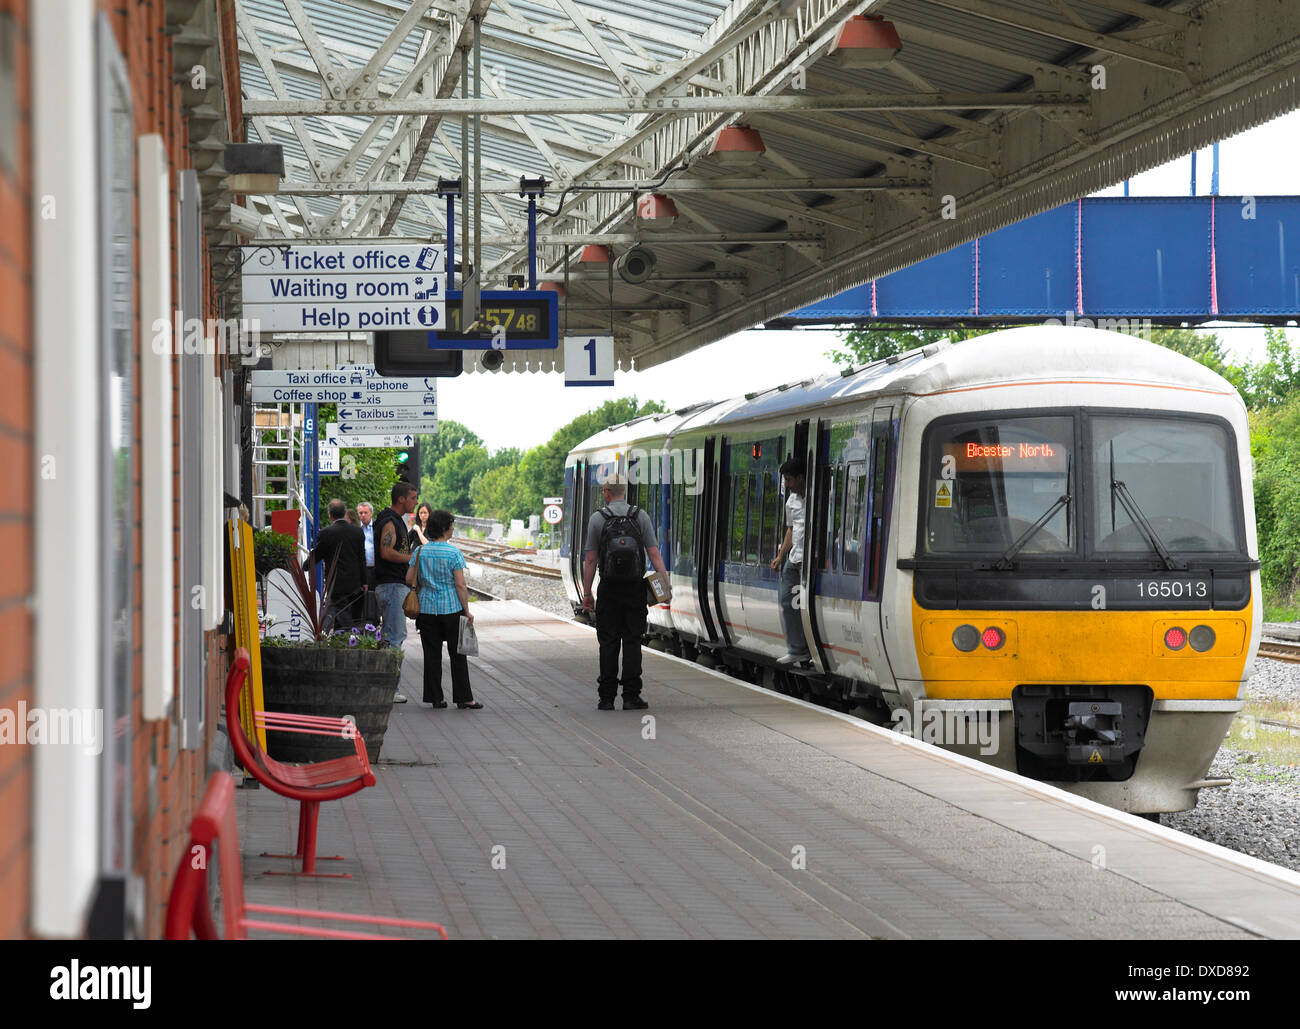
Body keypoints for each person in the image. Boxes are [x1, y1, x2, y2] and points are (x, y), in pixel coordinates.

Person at [581, 473, 671, 711]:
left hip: (609, 589)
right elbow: (654, 554)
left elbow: (590, 559)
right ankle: (631, 696)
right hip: (634, 589)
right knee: (632, 642)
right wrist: (665, 583)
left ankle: (606, 697)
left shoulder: (597, 519)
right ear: (624, 492)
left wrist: (587, 591)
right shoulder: (640, 516)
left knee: (608, 642)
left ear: (607, 493)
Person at [407, 509, 481, 709]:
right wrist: (466, 610)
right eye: (451, 525)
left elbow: (408, 579)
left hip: (427, 610)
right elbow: (460, 585)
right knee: (458, 655)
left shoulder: (420, 551)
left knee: (431, 655)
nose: (453, 528)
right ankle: (464, 698)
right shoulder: (453, 552)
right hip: (451, 609)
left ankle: (435, 698)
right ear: (445, 529)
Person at [374, 483, 418, 702]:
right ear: (401, 499)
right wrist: (411, 558)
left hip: (388, 585)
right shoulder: (390, 521)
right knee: (395, 637)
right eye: (413, 497)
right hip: (392, 586)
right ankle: (391, 690)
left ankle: (386, 686)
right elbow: (386, 551)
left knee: (389, 636)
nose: (416, 502)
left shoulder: (390, 519)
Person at [303, 498, 366, 631]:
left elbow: (318, 554)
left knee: (335, 612)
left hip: (335, 583)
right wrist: (364, 581)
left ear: (330, 515)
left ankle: (330, 635)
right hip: (354, 582)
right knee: (345, 613)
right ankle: (343, 637)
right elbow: (361, 558)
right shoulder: (358, 532)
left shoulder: (326, 533)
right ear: (344, 513)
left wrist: (305, 566)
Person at [770, 457, 810, 665]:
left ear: (801, 478)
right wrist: (780, 556)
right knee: (787, 601)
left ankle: (811, 649)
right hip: (794, 558)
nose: (786, 485)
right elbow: (791, 530)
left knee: (807, 605)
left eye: (788, 480)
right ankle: (796, 649)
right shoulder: (791, 502)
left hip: (810, 560)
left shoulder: (819, 496)